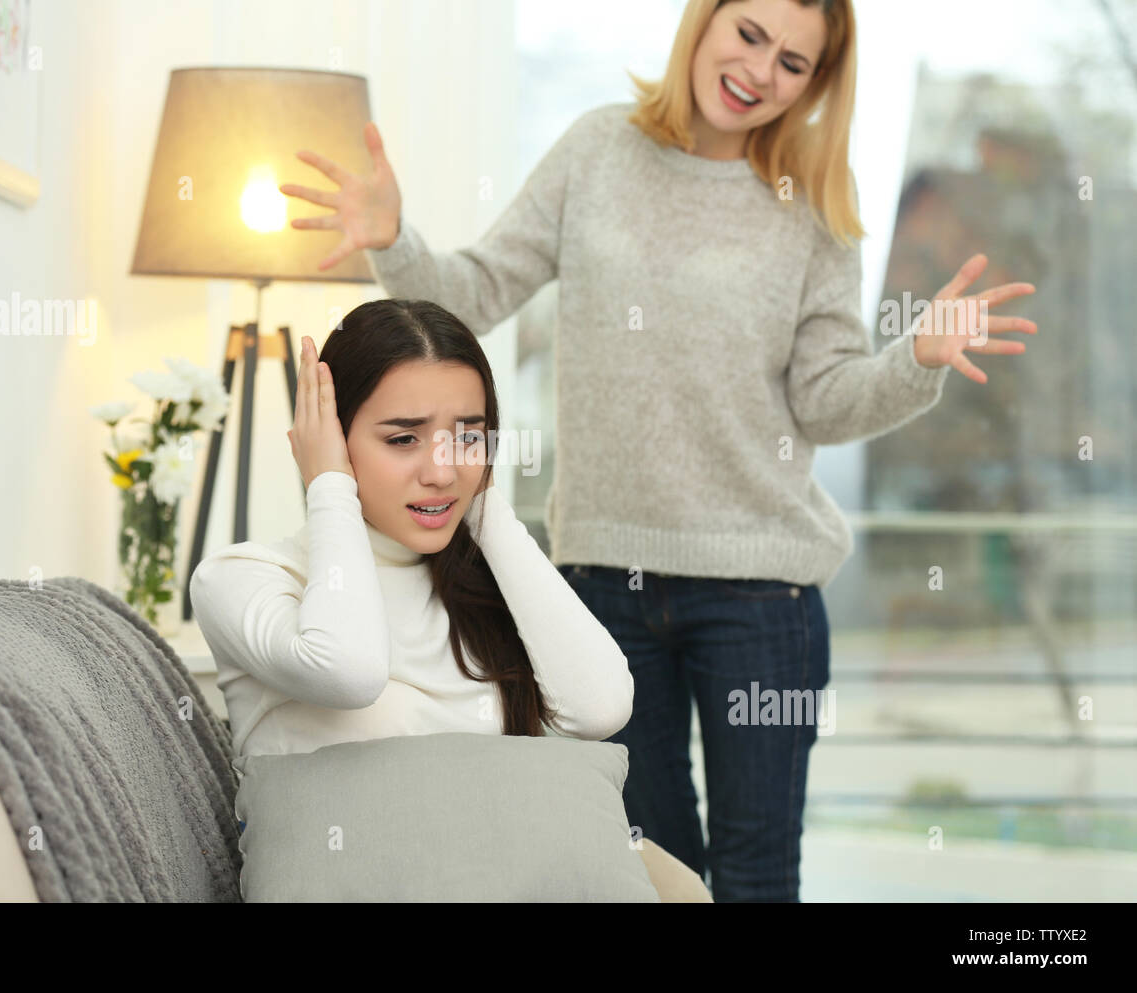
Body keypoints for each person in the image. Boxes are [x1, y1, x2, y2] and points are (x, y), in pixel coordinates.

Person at [277, 0, 1038, 901]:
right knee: (649, 871)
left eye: (795, 63)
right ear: (705, 22)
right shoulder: (598, 150)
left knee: (756, 874)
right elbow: (476, 291)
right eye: (749, 34)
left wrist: (913, 359)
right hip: (604, 590)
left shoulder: (814, 205)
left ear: (817, 83)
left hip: (762, 594)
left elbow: (825, 401)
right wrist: (394, 240)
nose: (760, 71)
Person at [188, 298, 712, 901]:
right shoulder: (246, 577)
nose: (441, 471)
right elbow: (350, 672)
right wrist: (328, 485)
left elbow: (601, 708)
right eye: (404, 438)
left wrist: (483, 505)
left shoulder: (490, 581)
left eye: (468, 437)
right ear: (331, 438)